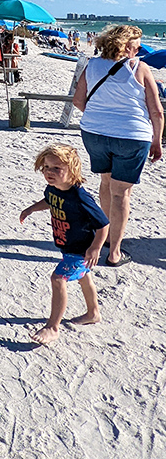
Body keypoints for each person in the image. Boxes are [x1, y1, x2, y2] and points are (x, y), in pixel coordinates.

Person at [72, 24, 163, 267]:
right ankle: (114, 253)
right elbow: (156, 111)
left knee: (106, 182)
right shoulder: (139, 67)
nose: (139, 49)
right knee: (121, 192)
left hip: (95, 132)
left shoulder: (91, 65)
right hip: (132, 136)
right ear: (126, 45)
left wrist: (101, 118)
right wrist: (157, 141)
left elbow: (79, 101)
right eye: (136, 45)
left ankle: (108, 238)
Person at [20, 144, 109, 346]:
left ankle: (52, 327)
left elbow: (103, 224)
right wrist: (31, 209)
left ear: (72, 170)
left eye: (56, 168)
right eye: (46, 167)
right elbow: (50, 200)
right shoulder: (52, 188)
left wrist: (95, 248)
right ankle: (93, 313)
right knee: (84, 278)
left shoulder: (80, 197)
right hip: (67, 246)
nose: (49, 173)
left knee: (58, 278)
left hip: (81, 250)